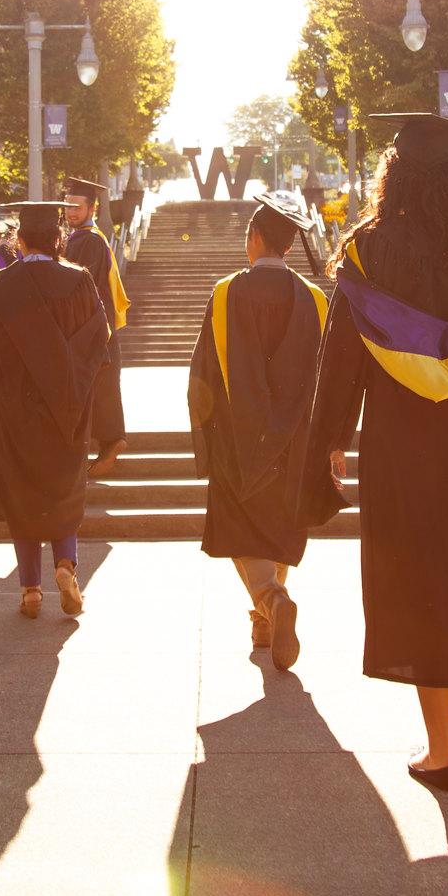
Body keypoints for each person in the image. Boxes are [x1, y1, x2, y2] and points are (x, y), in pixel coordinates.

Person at [299, 113, 448, 793]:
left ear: (395, 176)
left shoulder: (370, 251)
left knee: (420, 583)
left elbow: (341, 355)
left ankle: (439, 753)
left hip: (405, 445)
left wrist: (331, 437)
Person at [187, 190, 327, 671]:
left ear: (254, 237)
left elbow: (205, 371)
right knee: (279, 527)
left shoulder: (227, 292)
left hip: (237, 437)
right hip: (294, 441)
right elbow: (323, 376)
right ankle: (264, 620)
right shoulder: (315, 299)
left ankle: (271, 599)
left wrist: (204, 430)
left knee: (240, 528)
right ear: (288, 244)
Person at [0, 201, 111, 619]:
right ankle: (65, 565)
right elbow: (98, 339)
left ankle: (30, 589)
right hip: (66, 405)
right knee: (64, 486)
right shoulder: (80, 279)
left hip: (15, 408)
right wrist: (75, 384)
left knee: (21, 492)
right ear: (58, 238)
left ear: (20, 241)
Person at [62, 176, 132, 475]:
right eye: (68, 207)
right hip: (96, 326)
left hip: (92, 327)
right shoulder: (85, 238)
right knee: (101, 386)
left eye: (77, 207)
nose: (71, 212)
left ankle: (111, 442)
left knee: (98, 386)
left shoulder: (89, 240)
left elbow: (81, 285)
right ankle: (108, 443)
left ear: (92, 208)